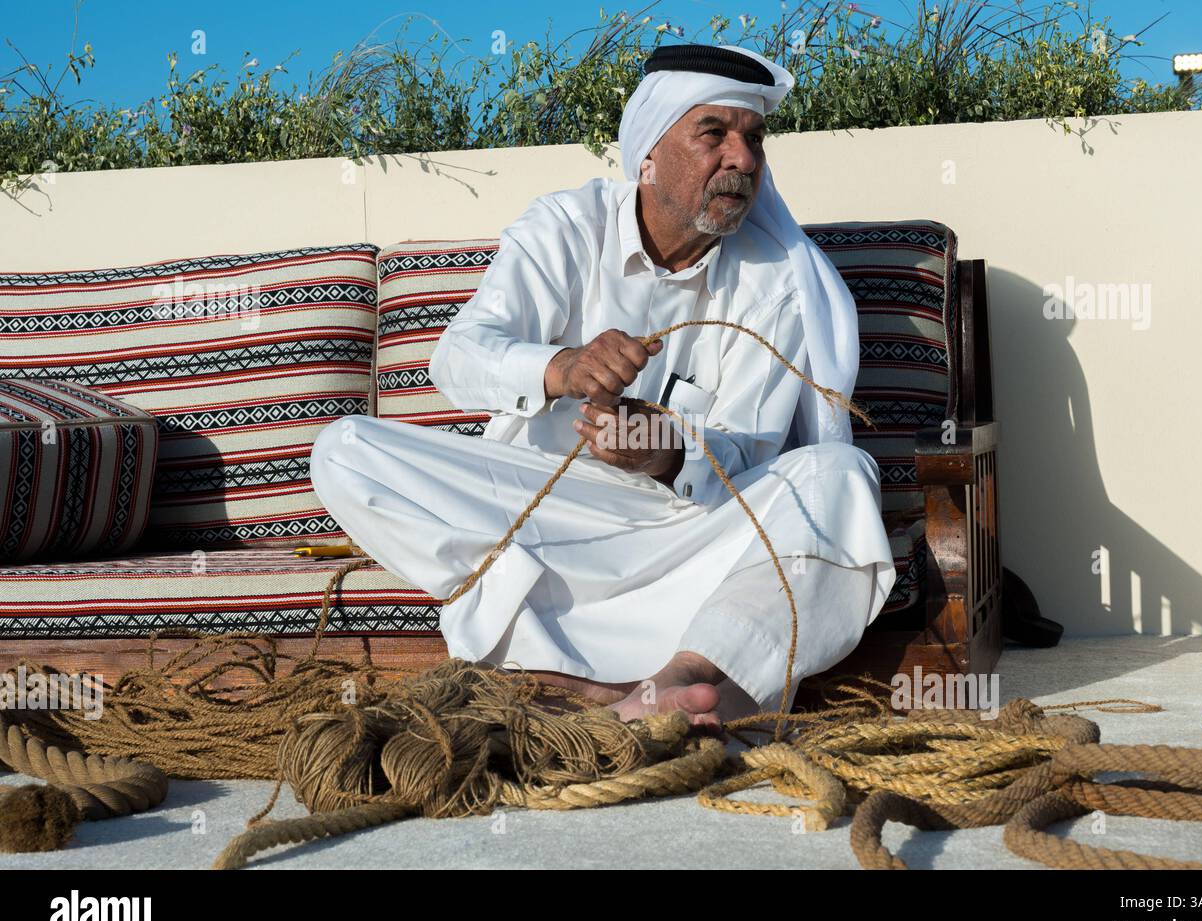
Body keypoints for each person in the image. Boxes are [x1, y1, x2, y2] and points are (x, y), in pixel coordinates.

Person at [310, 43, 896, 729]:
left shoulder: (775, 282)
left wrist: (668, 453)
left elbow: (754, 460)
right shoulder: (565, 229)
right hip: (549, 511)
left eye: (753, 139)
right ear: (649, 155)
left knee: (840, 475)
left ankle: (683, 675)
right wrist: (562, 368)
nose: (743, 158)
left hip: (683, 530)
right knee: (344, 450)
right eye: (715, 133)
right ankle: (600, 687)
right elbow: (459, 359)